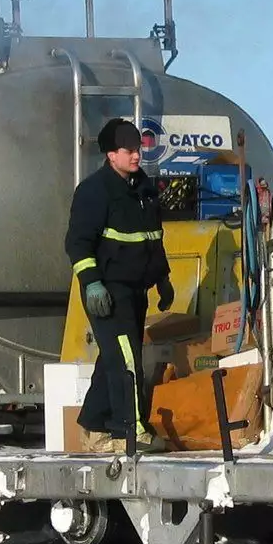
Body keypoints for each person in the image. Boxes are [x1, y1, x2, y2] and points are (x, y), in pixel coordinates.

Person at [65, 117, 175, 453]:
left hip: (136, 291)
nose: (136, 156)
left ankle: (95, 424)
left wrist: (163, 279)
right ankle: (129, 432)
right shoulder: (94, 191)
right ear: (111, 154)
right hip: (107, 292)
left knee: (115, 357)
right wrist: (92, 283)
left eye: (138, 149)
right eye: (128, 150)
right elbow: (77, 244)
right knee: (126, 359)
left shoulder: (144, 190)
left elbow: (153, 238)